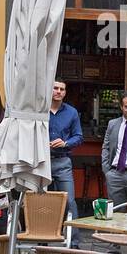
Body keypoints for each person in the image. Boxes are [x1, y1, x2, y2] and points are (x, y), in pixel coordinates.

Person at [48, 80, 83, 218]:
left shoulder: (71, 112)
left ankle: (72, 239)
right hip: (42, 161)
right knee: (43, 202)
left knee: (69, 201)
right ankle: (43, 238)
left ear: (65, 93)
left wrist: (65, 143)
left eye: (61, 89)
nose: (58, 91)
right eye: (55, 88)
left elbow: (79, 137)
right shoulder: (40, 111)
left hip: (63, 161)